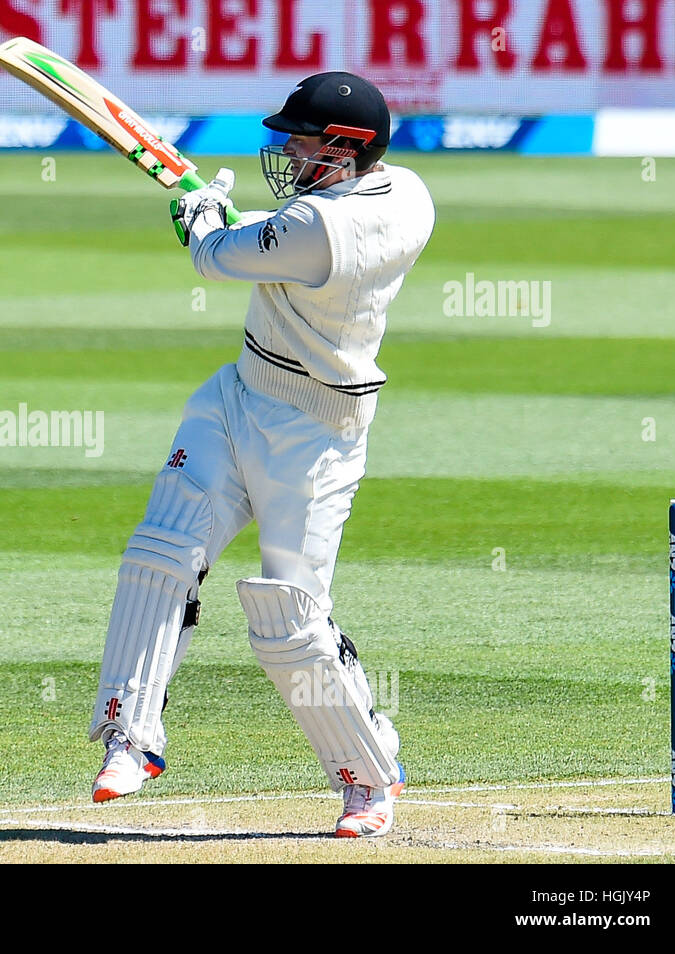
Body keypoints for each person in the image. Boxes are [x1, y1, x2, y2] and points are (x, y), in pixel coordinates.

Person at [88, 71, 435, 838]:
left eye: (301, 142)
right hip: (238, 393)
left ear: (344, 152)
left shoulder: (326, 228)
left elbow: (216, 257)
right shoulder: (406, 193)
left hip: (314, 437)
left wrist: (202, 214)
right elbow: (276, 240)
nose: (286, 151)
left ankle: (370, 776)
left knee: (290, 619)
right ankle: (129, 737)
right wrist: (224, 221)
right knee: (159, 552)